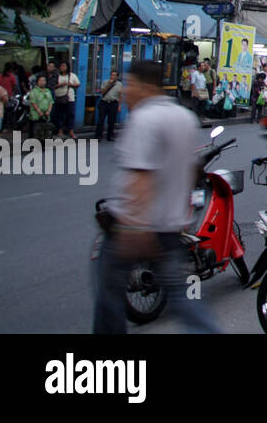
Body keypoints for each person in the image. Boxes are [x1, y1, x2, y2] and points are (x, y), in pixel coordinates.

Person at [93, 59, 220, 334]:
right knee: (182, 299)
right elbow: (190, 172)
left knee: (109, 298)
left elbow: (141, 178)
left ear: (143, 85)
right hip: (170, 228)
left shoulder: (144, 119)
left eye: (129, 85)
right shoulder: (184, 118)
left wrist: (133, 230)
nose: (126, 92)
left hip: (135, 229)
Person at [51, 61, 79, 138]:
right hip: (59, 97)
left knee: (70, 114)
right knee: (59, 115)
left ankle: (71, 131)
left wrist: (71, 84)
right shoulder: (56, 76)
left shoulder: (72, 75)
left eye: (64, 66)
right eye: (61, 66)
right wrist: (60, 85)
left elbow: (77, 84)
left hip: (69, 98)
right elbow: (52, 85)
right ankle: (60, 130)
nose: (62, 67)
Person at [96, 69, 122, 142]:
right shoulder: (105, 82)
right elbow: (102, 92)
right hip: (104, 102)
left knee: (111, 121)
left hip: (113, 103)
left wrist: (119, 105)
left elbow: (120, 95)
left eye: (114, 75)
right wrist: (109, 84)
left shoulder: (119, 84)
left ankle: (110, 136)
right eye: (111, 75)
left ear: (117, 76)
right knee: (101, 120)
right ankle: (98, 135)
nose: (112, 76)